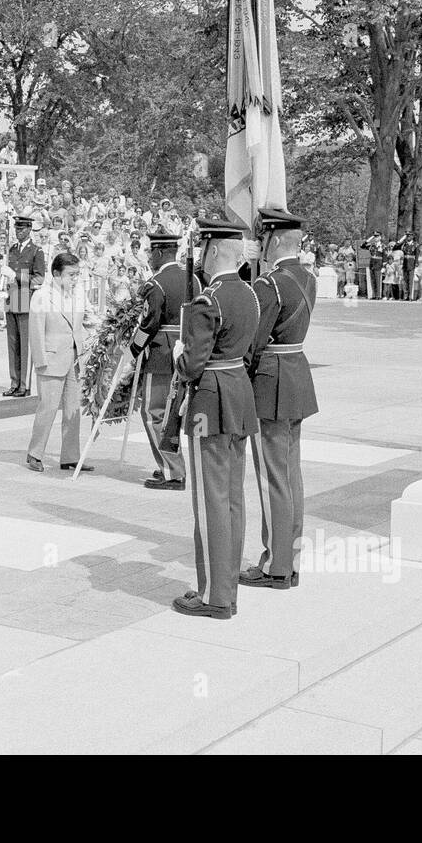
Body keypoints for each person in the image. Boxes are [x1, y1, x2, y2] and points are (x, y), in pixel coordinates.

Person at [170, 218, 259, 621]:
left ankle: (214, 595)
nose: (200, 257)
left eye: (204, 249)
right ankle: (228, 588)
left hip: (210, 401)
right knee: (233, 498)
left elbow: (191, 365)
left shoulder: (211, 300)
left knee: (210, 501)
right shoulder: (252, 295)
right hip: (240, 394)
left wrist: (177, 355)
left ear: (215, 250)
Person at [240, 208, 319, 592]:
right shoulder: (308, 278)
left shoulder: (270, 285)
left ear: (271, 240)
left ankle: (274, 564)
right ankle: (292, 558)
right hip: (297, 377)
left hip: (270, 381)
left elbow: (253, 342)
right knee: (291, 475)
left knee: (273, 477)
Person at [129, 230, 200, 491]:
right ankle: (171, 467)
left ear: (159, 252)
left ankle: (172, 470)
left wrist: (133, 350)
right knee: (173, 414)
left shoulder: (155, 284)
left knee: (153, 413)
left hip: (160, 354)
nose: (149, 257)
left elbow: (149, 324)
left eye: (150, 252)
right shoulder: (193, 279)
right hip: (186, 352)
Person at [26, 252, 90, 472]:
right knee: (48, 408)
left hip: (74, 359)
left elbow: (86, 321)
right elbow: (35, 331)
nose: (75, 279)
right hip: (51, 359)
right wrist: (40, 361)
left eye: (77, 275)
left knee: (73, 410)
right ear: (56, 274)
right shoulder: (42, 296)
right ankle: (35, 453)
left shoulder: (77, 294)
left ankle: (70, 456)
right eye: (71, 275)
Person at [2, 215, 45, 397]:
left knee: (25, 346)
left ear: (29, 230)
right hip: (12, 299)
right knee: (12, 345)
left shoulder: (36, 251)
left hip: (26, 301)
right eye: (16, 229)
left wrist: (16, 276)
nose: (18, 232)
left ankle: (24, 385)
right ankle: (14, 382)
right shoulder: (12, 250)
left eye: (21, 229)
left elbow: (39, 278)